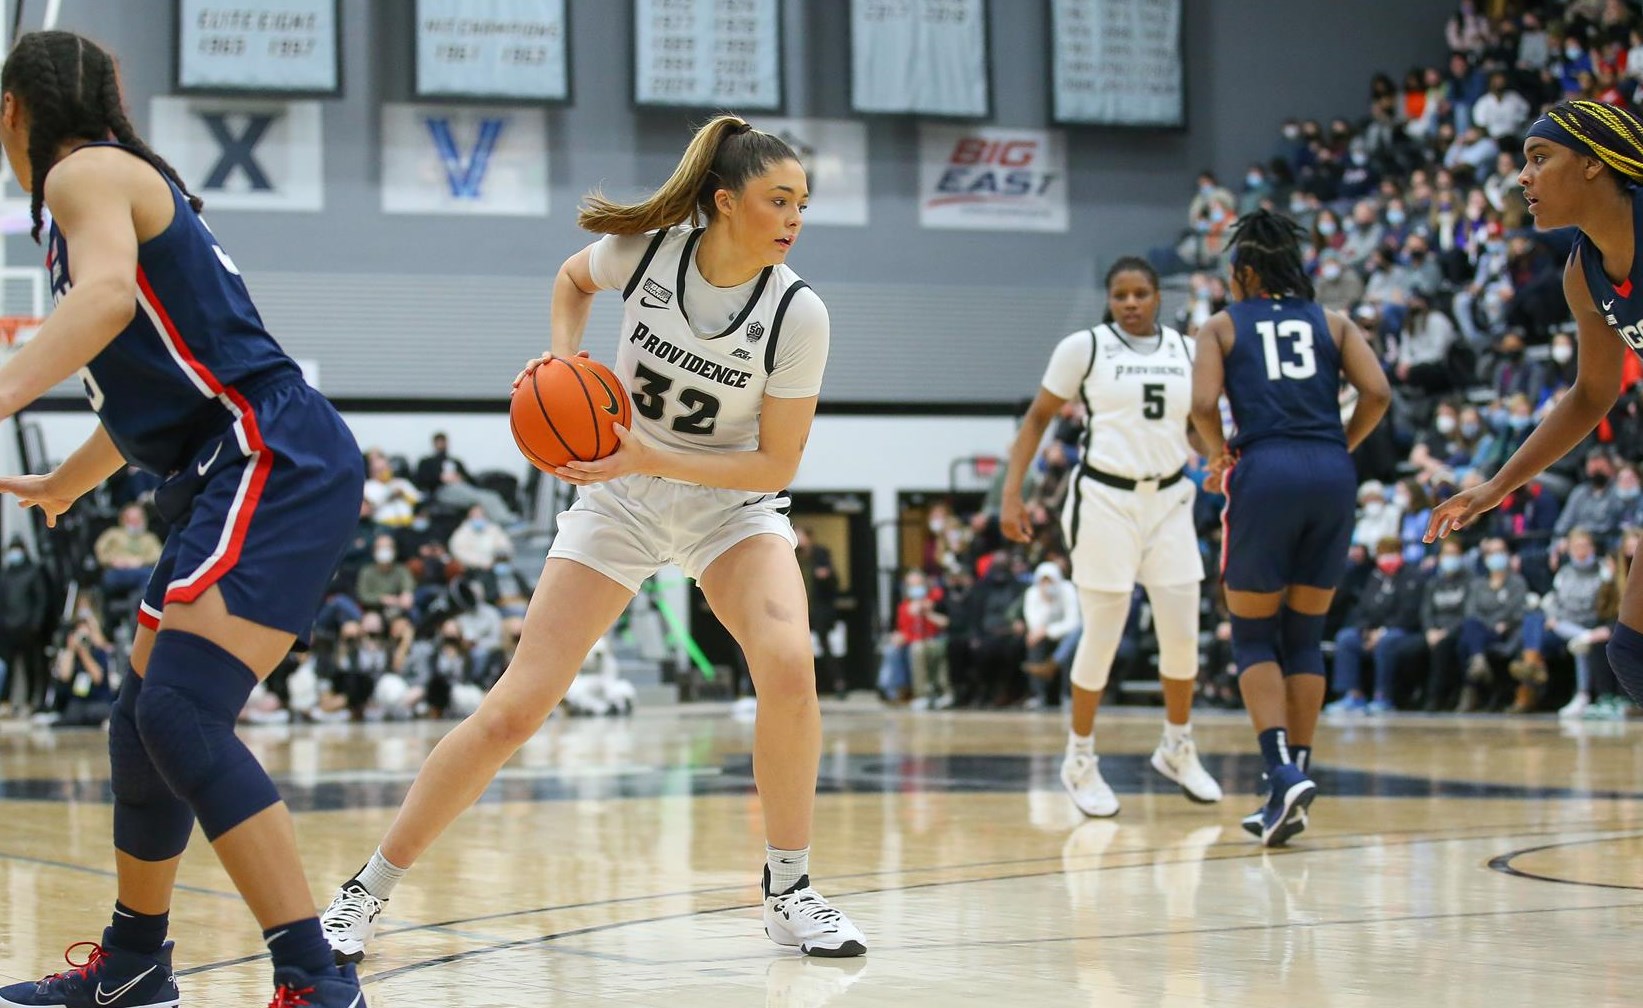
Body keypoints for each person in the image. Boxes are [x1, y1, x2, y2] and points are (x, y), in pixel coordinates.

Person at [320, 114, 865, 961]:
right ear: (725, 202)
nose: (795, 218)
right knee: (514, 708)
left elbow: (775, 464)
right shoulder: (645, 256)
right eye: (778, 199)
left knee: (790, 664)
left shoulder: (799, 313)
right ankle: (364, 891)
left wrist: (650, 452)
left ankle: (789, 890)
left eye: (801, 202)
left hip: (729, 508)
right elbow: (572, 280)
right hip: (621, 501)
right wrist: (561, 363)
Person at [0, 31, 367, 1008]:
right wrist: (67, 483)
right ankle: (134, 964)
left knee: (179, 711)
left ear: (13, 112)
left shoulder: (82, 174)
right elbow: (145, 393)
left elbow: (106, 302)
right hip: (227, 458)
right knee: (139, 719)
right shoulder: (100, 191)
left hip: (266, 448)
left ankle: (316, 980)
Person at [1428, 100, 1643, 712]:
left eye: (1540, 158)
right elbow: (1592, 393)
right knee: (1632, 652)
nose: (1522, 177)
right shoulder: (1582, 273)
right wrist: (1496, 486)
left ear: (1594, 164)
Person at [1188, 210, 1390, 847]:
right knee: (1304, 637)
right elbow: (1378, 392)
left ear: (1245, 272)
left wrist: (1218, 453)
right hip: (1331, 472)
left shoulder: (1222, 326)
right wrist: (1340, 445)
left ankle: (1279, 769)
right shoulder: (1334, 321)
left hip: (1266, 469)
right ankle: (1291, 784)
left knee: (1253, 636)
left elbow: (1201, 404)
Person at [1002, 255, 1223, 819]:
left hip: (1170, 498)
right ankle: (1079, 758)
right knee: (1101, 632)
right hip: (1105, 500)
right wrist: (1012, 493)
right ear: (1109, 299)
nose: (1130, 303)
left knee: (1181, 635)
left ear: (1158, 297)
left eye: (1140, 293)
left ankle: (1177, 746)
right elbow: (1037, 419)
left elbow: (1197, 426)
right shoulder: (1086, 347)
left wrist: (1219, 459)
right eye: (1120, 294)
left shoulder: (1188, 350)